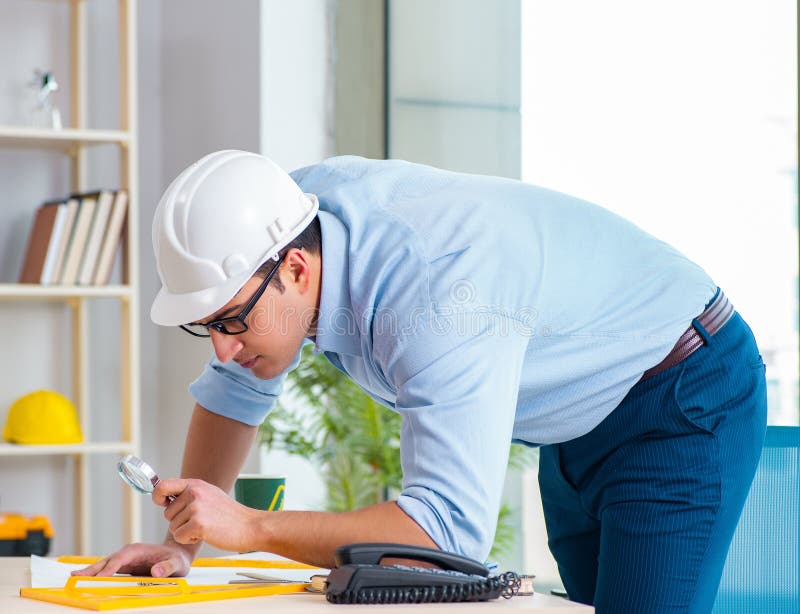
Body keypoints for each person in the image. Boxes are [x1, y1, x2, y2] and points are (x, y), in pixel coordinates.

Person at [77, 150, 767, 613]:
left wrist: (253, 528)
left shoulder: (440, 297)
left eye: (232, 321)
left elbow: (444, 534)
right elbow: (234, 389)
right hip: (577, 416)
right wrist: (181, 545)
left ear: (295, 270)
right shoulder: (290, 222)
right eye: (208, 326)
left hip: (679, 393)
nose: (223, 350)